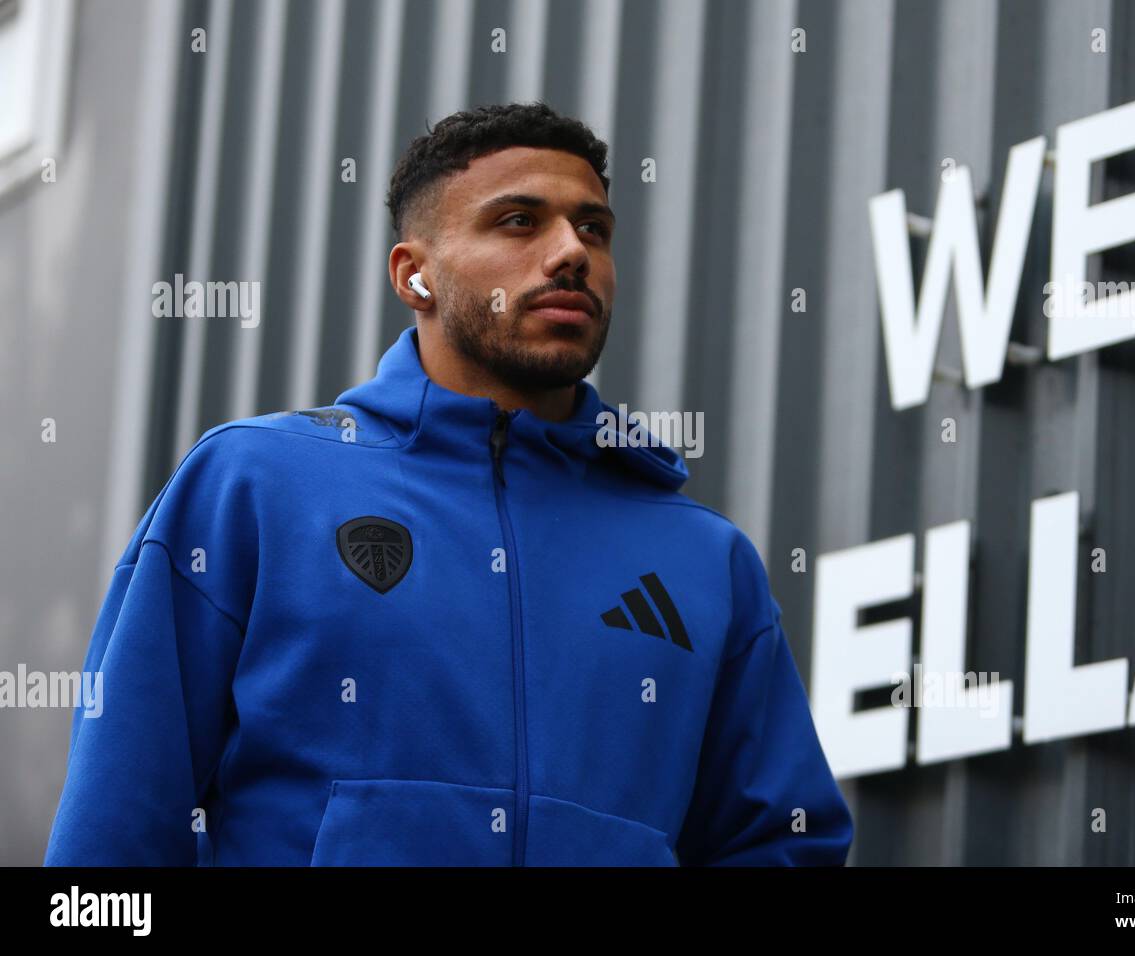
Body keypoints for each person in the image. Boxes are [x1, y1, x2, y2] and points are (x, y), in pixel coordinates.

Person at [44, 102, 854, 866]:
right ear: (414, 275)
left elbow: (782, 840)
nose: (572, 251)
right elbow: (118, 828)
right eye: (518, 221)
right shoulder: (255, 485)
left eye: (594, 228)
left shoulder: (704, 560)